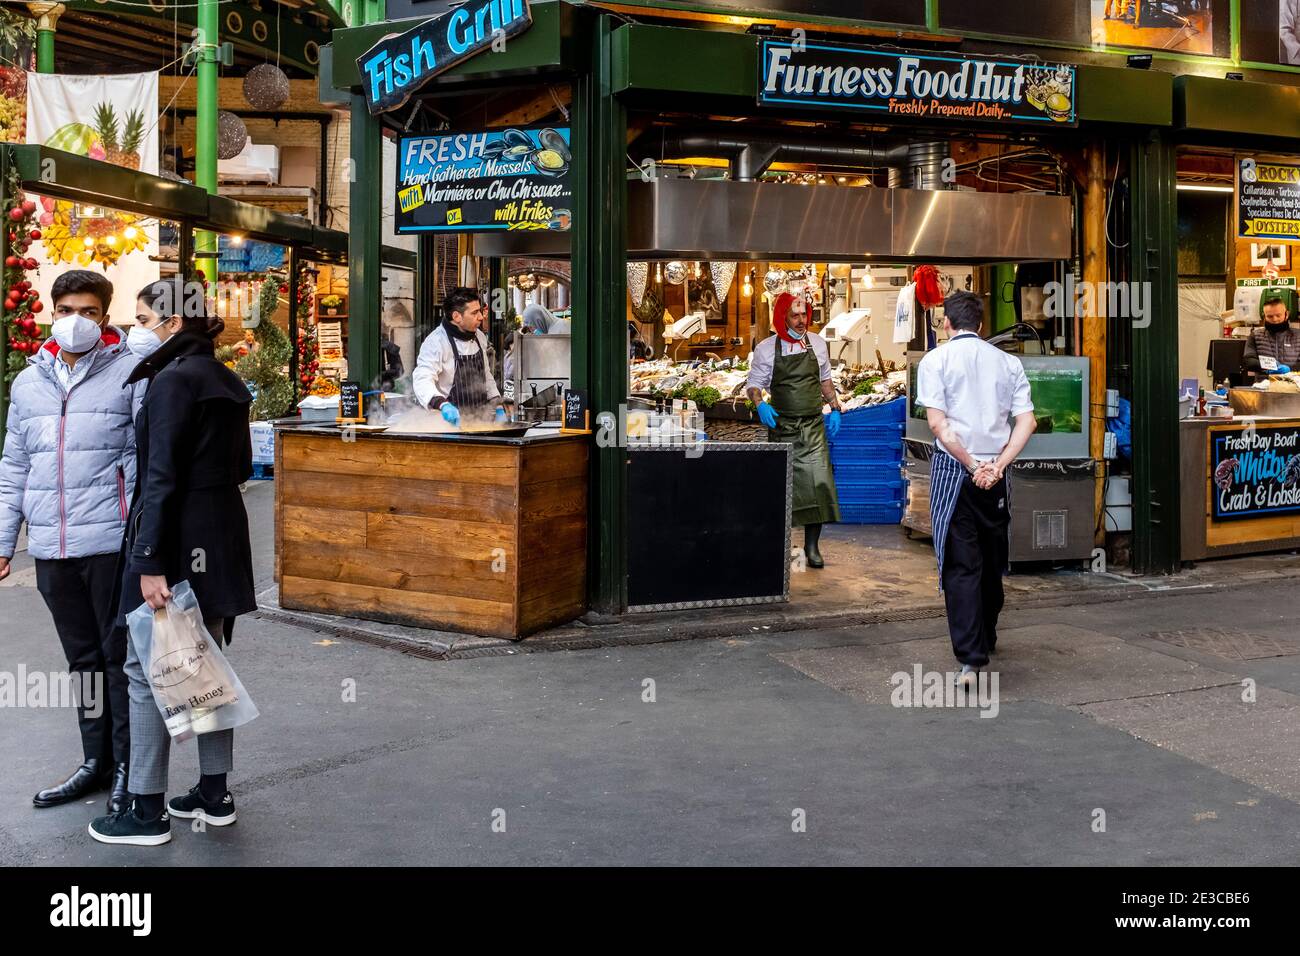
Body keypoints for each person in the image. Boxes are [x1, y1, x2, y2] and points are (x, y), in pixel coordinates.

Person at [88, 277, 256, 847]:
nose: (139, 332)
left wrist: (150, 561)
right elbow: (241, 468)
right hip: (221, 536)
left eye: (143, 320)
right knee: (203, 665)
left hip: (175, 540)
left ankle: (145, 809)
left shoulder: (172, 382)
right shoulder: (227, 380)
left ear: (173, 322)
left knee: (145, 672)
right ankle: (214, 794)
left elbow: (159, 479)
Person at [0, 270, 141, 814]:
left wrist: (143, 542)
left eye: (86, 311)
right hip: (52, 550)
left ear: (105, 316)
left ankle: (129, 767)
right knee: (81, 661)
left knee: (118, 659)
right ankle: (94, 762)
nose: (74, 321)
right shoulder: (28, 382)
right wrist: (5, 542)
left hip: (110, 544)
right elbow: (14, 466)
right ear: (50, 313)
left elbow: (142, 462)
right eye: (65, 310)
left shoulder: (131, 373)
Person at [916, 292, 1037, 688]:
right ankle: (988, 631)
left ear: (946, 324)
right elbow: (1027, 423)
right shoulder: (1009, 362)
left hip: (956, 467)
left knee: (961, 563)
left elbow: (937, 424)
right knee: (991, 554)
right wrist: (997, 466)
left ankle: (971, 658)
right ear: (982, 326)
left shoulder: (935, 361)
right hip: (998, 471)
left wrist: (971, 464)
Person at [745, 290, 841, 568]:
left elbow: (825, 381)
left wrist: (835, 408)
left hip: (813, 427)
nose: (801, 321)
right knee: (783, 489)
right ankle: (781, 545)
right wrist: (759, 403)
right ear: (782, 317)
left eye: (804, 315)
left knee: (819, 485)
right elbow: (754, 385)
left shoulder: (818, 344)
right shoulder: (766, 348)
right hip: (783, 428)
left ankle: (812, 548)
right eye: (795, 315)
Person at [413, 287, 505, 425]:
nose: (481, 317)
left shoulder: (479, 337)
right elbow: (422, 379)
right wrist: (443, 405)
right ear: (457, 316)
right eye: (474, 313)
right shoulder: (436, 342)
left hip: (480, 423)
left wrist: (497, 404)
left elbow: (486, 375)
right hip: (448, 426)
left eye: (480, 311)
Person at [1242, 293, 1300, 380]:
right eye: (1270, 316)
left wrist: (1289, 369)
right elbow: (1248, 361)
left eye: (1278, 315)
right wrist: (1270, 367)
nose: (1275, 319)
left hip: (1293, 387)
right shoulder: (1255, 336)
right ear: (1264, 316)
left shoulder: (1298, 335)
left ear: (1286, 314)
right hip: (1264, 386)